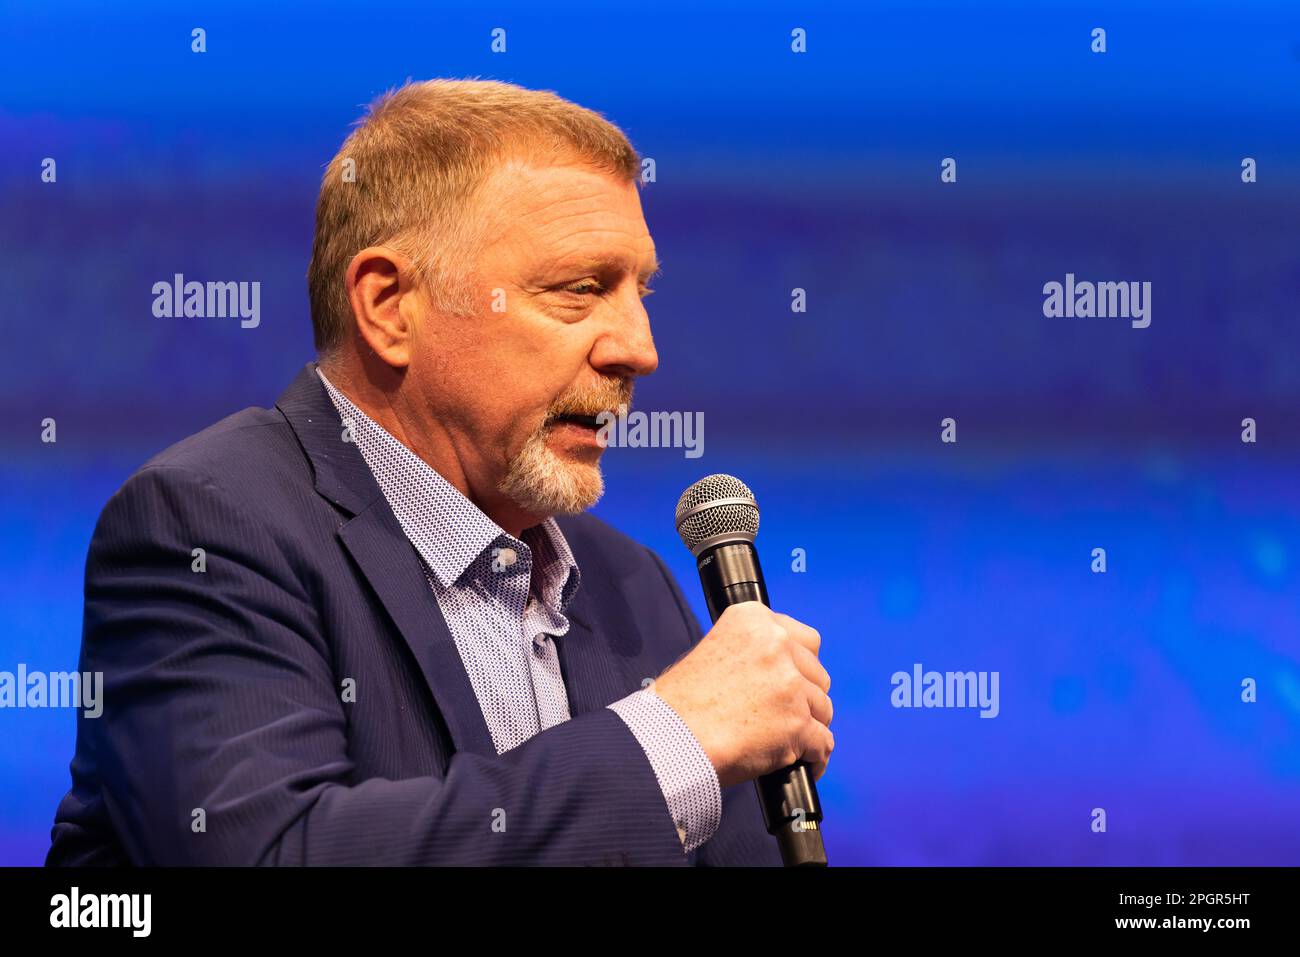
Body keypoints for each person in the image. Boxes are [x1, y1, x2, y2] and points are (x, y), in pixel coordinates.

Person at [46, 78, 833, 866]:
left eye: (640, 290)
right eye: (580, 289)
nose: (639, 348)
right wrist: (672, 738)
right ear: (389, 306)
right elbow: (276, 853)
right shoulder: (207, 528)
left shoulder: (635, 587)